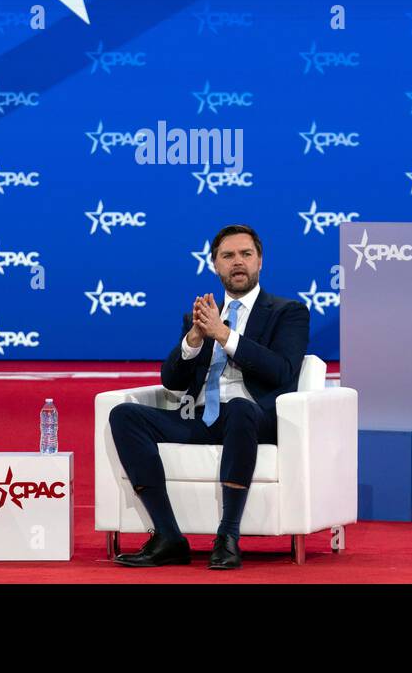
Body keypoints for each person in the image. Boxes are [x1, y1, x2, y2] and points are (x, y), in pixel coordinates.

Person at [108, 224, 309, 569]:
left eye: (246, 254)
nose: (238, 262)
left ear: (261, 261)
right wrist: (195, 340)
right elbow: (171, 381)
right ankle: (168, 536)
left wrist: (224, 334)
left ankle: (228, 535)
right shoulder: (199, 316)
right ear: (215, 265)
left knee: (241, 409)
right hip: (200, 417)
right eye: (228, 256)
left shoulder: (287, 312)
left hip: (253, 418)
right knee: (124, 415)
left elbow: (282, 371)